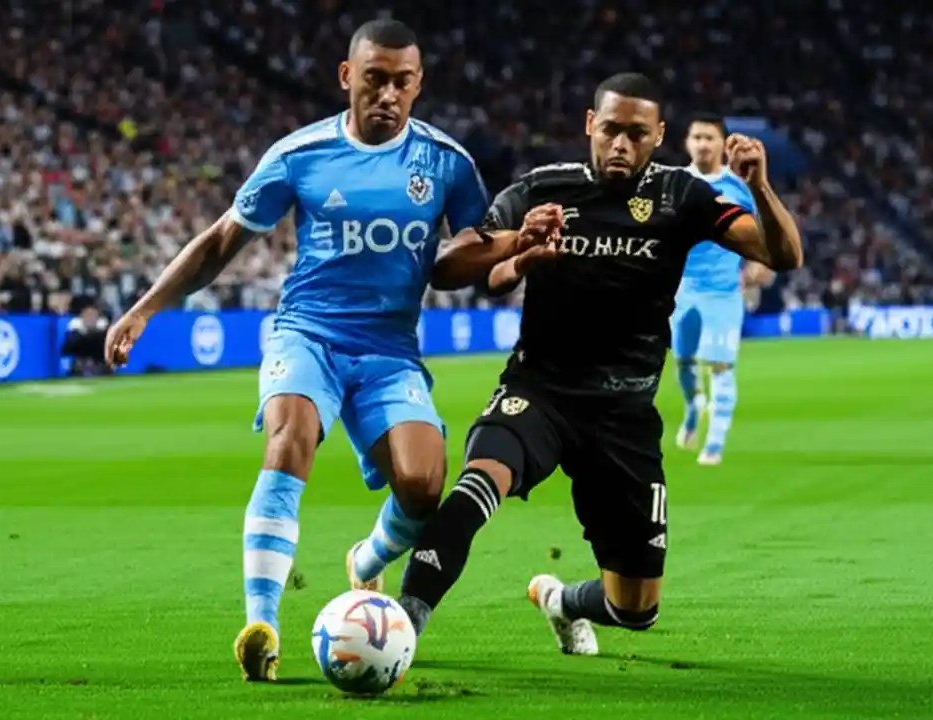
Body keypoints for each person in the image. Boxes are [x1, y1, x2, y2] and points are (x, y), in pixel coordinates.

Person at [103, 19, 496, 682]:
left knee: (425, 484)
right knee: (290, 440)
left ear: (418, 84)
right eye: (374, 79)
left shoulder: (448, 164)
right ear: (348, 76)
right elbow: (221, 241)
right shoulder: (300, 154)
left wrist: (518, 248)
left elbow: (470, 256)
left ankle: (367, 560)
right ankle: (263, 625)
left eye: (403, 82)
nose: (388, 95)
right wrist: (146, 308)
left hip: (390, 351)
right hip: (307, 334)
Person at [393, 72, 802, 656]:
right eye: (610, 130)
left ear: (658, 136)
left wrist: (759, 188)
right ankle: (403, 629)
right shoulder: (543, 188)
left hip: (624, 412)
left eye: (637, 134)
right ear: (591, 124)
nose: (621, 145)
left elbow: (782, 255)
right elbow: (451, 265)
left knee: (634, 610)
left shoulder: (681, 196)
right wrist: (517, 242)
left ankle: (559, 602)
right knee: (478, 484)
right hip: (541, 389)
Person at [672, 114, 772, 466]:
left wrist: (759, 264)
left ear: (721, 143)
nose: (702, 144)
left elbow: (766, 231)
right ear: (687, 142)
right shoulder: (673, 183)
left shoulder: (739, 186)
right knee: (683, 363)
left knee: (721, 366)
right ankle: (692, 408)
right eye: (696, 137)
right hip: (681, 290)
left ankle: (714, 443)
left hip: (725, 292)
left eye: (709, 138)